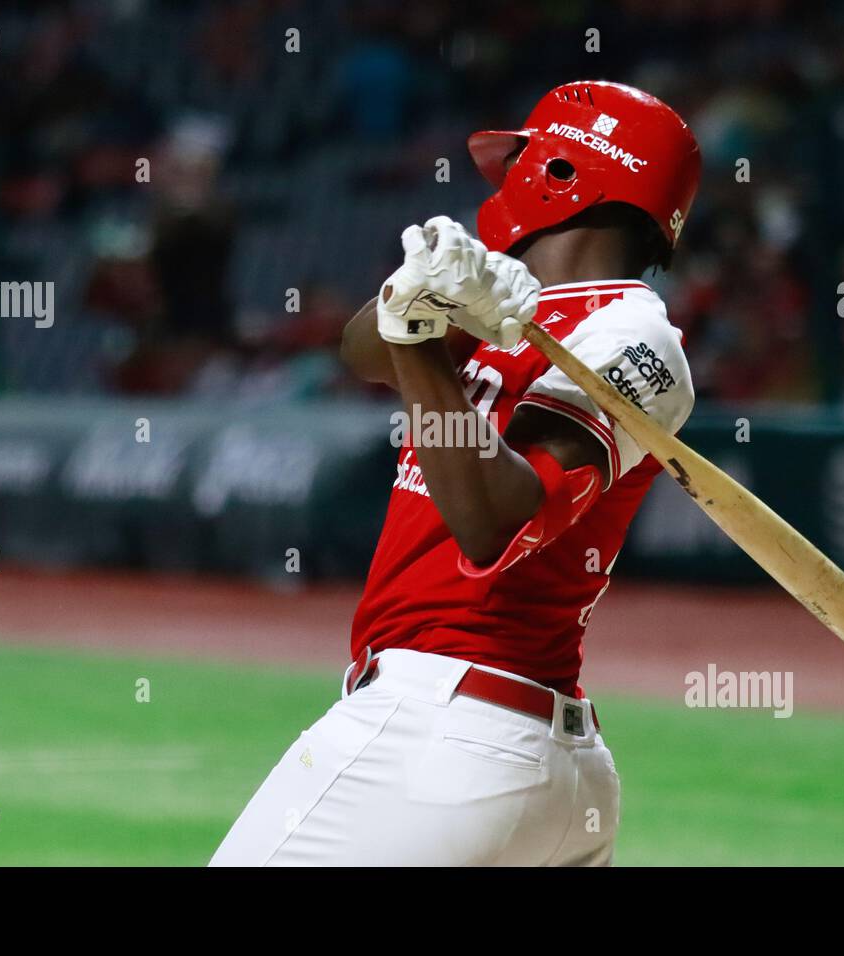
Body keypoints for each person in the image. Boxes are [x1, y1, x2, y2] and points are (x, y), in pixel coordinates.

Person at [210, 80, 701, 866]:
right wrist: (429, 294)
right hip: (537, 767)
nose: (502, 184)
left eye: (519, 163)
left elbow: (493, 521)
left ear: (563, 177)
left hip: (444, 727)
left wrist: (421, 333)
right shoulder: (502, 297)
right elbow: (359, 350)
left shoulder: (633, 335)